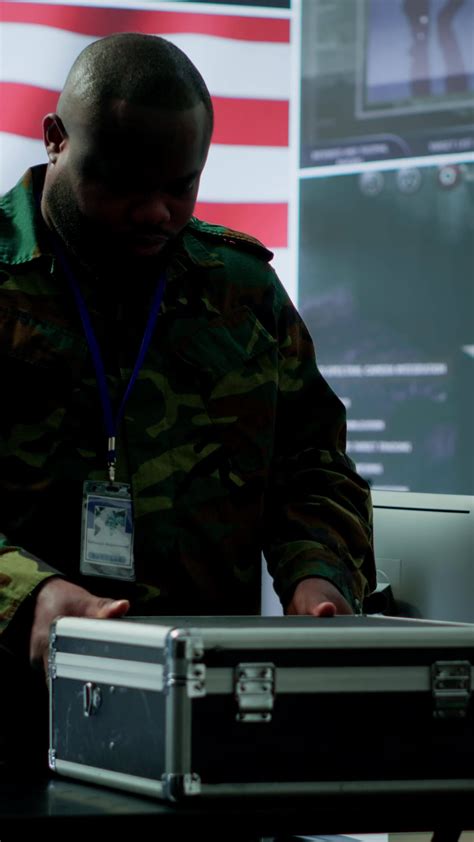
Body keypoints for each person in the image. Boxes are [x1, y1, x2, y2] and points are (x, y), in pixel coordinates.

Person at [0, 33, 375, 765]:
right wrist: (29, 600)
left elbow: (312, 464)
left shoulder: (239, 291)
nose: (155, 213)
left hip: (203, 731)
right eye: (124, 184)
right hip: (15, 725)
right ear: (55, 139)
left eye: (180, 186)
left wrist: (319, 575)